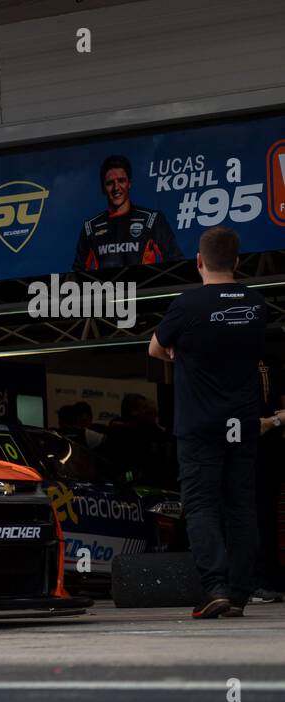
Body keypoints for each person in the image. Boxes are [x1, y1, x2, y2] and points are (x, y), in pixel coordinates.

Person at [149, 226, 267, 618]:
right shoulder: (257, 304)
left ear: (198, 261)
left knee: (200, 506)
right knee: (241, 507)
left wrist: (180, 351)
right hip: (243, 422)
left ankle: (215, 586)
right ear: (237, 262)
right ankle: (240, 591)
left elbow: (154, 348)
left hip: (200, 424)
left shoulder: (187, 305)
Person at [74, 154, 183, 271]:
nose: (116, 187)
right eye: (110, 183)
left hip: (143, 288)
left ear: (129, 183)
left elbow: (176, 263)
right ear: (103, 188)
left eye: (121, 181)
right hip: (106, 289)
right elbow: (76, 274)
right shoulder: (90, 227)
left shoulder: (152, 220)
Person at [252, 356, 285, 601]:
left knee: (266, 514)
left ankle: (267, 578)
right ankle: (258, 579)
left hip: (269, 447)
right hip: (242, 446)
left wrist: (273, 421)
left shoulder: (274, 364)